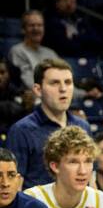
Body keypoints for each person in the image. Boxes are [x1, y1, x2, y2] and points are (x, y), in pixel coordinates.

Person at [6, 59, 94, 188]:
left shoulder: (83, 127)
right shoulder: (21, 130)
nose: (63, 89)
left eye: (68, 82)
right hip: (38, 206)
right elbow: (15, 186)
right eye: (54, 83)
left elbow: (91, 180)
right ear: (38, 89)